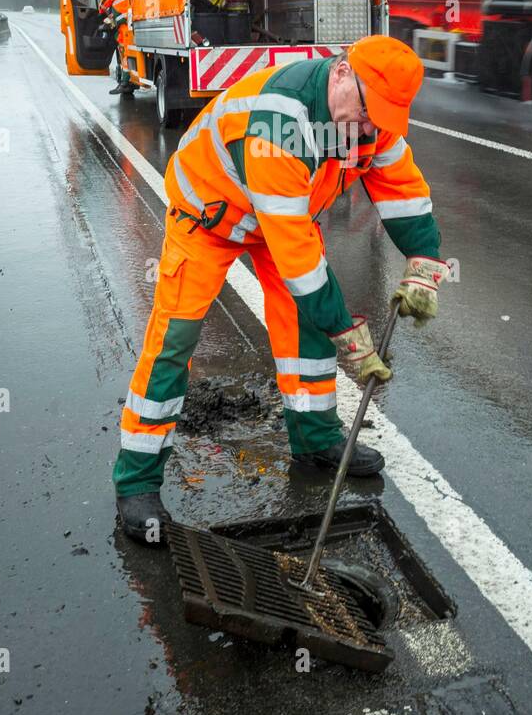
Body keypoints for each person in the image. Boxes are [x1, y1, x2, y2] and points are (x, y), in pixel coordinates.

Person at [114, 34, 452, 543]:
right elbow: (300, 262)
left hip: (281, 215)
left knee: (305, 335)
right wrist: (350, 335)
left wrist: (425, 262)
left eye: (381, 118)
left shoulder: (371, 124)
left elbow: (403, 191)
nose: (368, 128)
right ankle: (136, 481)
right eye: (365, 111)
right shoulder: (280, 122)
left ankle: (316, 440)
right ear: (340, 74)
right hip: (210, 217)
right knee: (175, 341)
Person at [99, 0, 133, 94]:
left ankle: (125, 83)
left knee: (125, 54)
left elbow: (102, 4)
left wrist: (108, 12)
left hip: (124, 27)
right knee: (130, 54)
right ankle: (130, 82)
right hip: (136, 24)